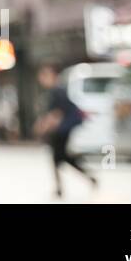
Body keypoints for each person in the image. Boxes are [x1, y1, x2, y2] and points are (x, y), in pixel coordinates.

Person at [35, 64, 97, 199]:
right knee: (60, 157)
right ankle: (62, 187)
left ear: (52, 75)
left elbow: (56, 114)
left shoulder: (57, 91)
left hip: (62, 129)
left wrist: (42, 127)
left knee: (61, 157)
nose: (42, 79)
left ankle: (67, 186)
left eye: (44, 75)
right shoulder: (58, 90)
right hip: (63, 129)